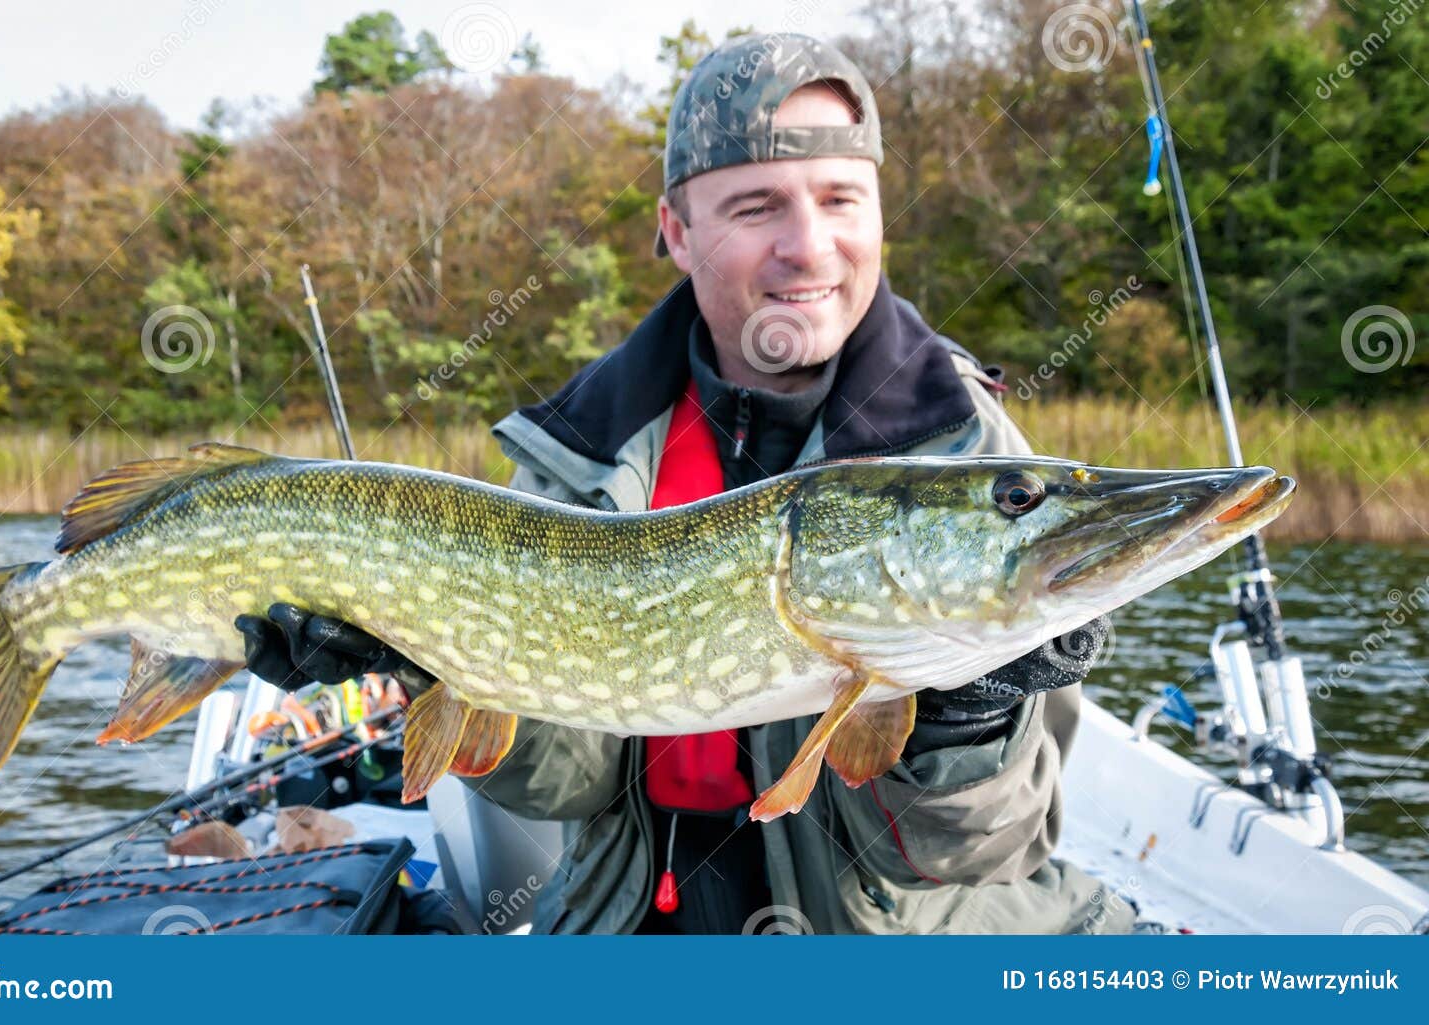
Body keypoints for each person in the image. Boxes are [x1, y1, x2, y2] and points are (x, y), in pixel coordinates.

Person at [235, 33, 1133, 935]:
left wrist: (964, 721)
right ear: (676, 230)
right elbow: (571, 778)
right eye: (757, 207)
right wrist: (423, 657)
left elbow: (982, 847)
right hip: (641, 911)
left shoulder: (973, 455)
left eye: (840, 199)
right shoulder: (580, 457)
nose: (807, 247)